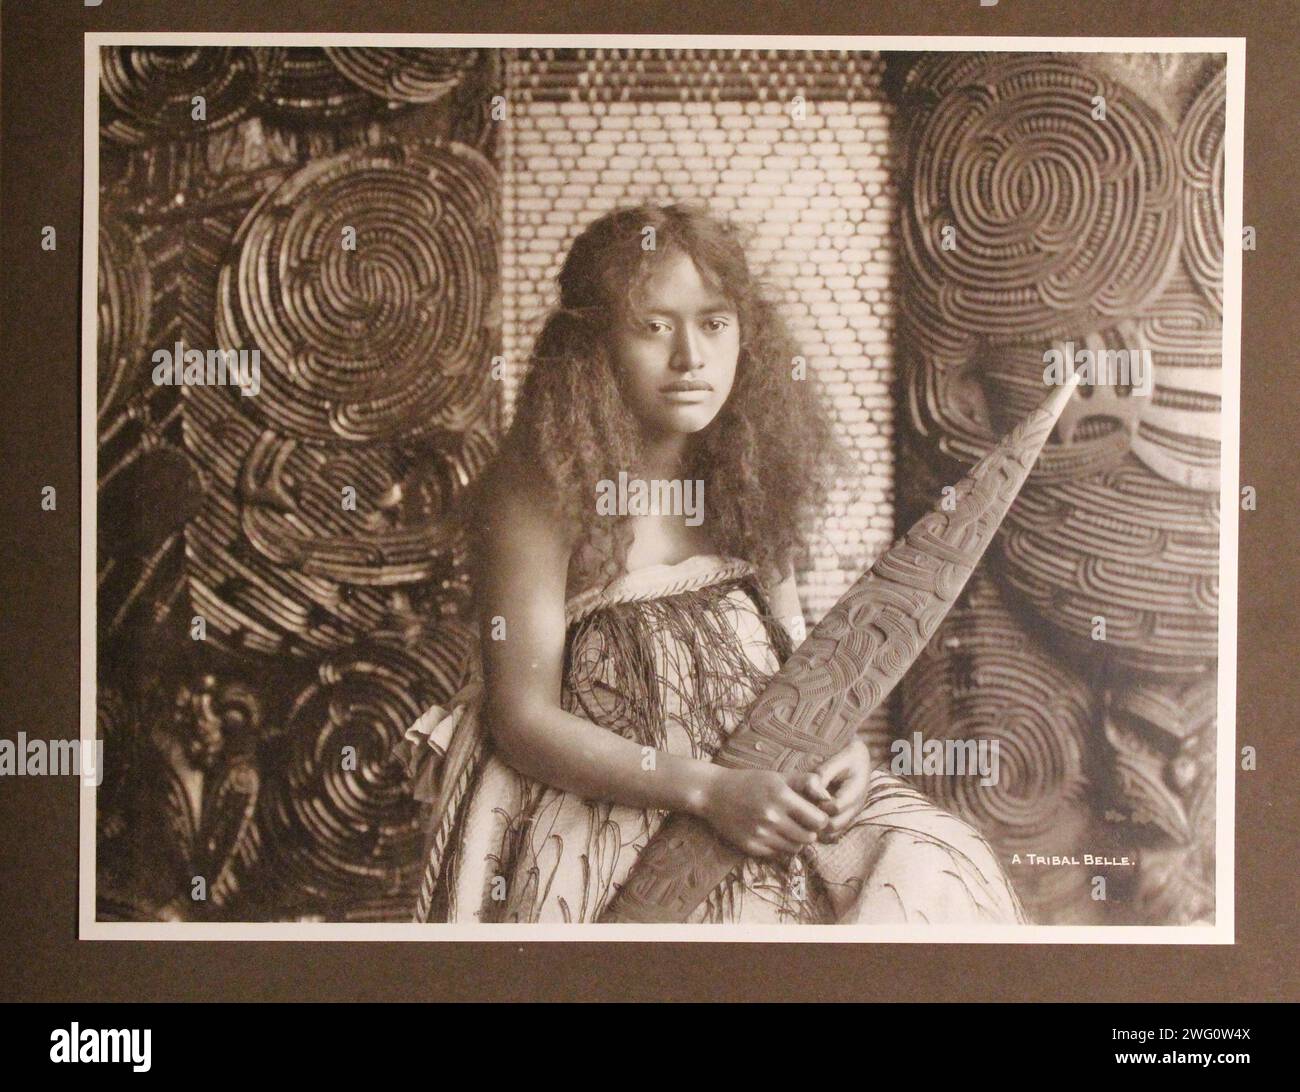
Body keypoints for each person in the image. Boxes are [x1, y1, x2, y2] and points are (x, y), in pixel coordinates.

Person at [400, 203, 1025, 925]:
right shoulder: (539, 491)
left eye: (714, 323)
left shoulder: (750, 474)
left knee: (941, 867)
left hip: (757, 782)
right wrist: (707, 793)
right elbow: (523, 720)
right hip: (616, 797)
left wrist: (837, 749)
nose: (690, 358)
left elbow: (800, 664)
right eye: (654, 326)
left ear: (745, 336)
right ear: (594, 342)